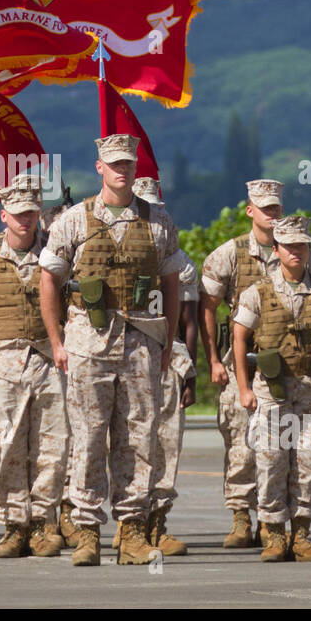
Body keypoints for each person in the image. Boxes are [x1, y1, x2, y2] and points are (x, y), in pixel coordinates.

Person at [39, 135, 184, 566]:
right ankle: (85, 531)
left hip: (141, 341)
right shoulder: (74, 221)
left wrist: (167, 340)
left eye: (128, 163)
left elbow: (172, 284)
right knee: (87, 436)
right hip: (88, 343)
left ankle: (132, 531)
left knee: (139, 437)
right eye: (114, 163)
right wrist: (55, 341)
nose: (123, 170)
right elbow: (49, 278)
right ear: (99, 167)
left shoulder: (158, 222)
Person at [198, 178, 311, 549]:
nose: (271, 214)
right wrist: (214, 361)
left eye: (276, 208)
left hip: (287, 368)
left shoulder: (300, 252)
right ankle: (240, 517)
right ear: (250, 210)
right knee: (241, 443)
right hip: (243, 365)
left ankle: (275, 523)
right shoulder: (229, 254)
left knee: (283, 446)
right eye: (264, 208)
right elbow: (206, 308)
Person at [0, 174, 67, 558]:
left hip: (49, 361)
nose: (26, 220)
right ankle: (14, 525)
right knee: (7, 446)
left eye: (32, 213)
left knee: (52, 447)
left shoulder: (57, 253)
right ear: (3, 215)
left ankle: (42, 524)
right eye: (19, 214)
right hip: (3, 361)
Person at [232, 215, 311, 563]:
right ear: (277, 249)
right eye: (289, 245)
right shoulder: (258, 293)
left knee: (310, 465)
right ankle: (274, 535)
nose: (296, 251)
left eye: (302, 245)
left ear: (309, 249)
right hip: (271, 391)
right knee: (271, 463)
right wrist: (243, 387)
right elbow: (239, 338)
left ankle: (301, 535)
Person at [133, 177, 194, 558]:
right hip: (123, 355)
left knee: (166, 441)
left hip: (166, 357)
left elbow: (188, 321)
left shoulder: (180, 264)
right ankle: (129, 522)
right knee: (126, 444)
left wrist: (191, 372)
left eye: (155, 208)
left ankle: (158, 522)